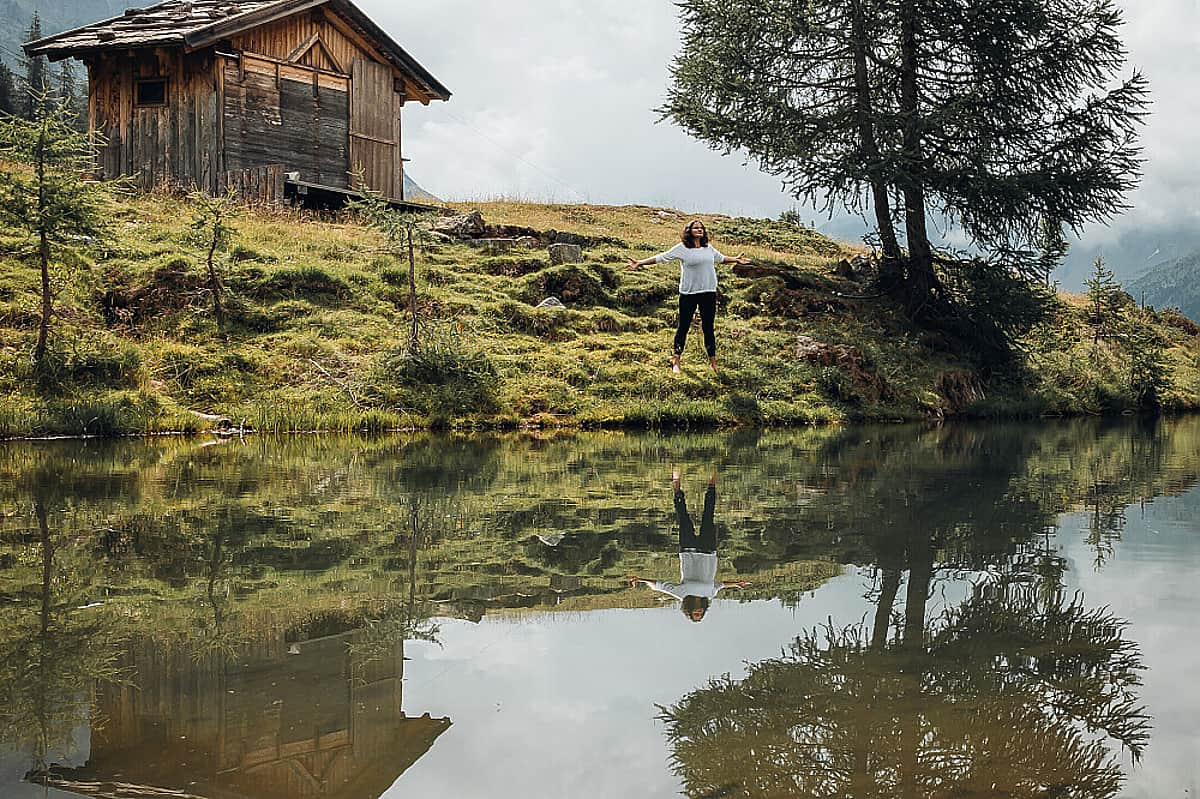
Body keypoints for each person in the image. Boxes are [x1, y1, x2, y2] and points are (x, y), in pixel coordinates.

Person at [626, 220, 751, 374]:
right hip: (689, 294)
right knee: (683, 326)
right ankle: (676, 361)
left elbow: (721, 258)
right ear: (689, 231)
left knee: (708, 328)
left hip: (708, 293)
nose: (699, 230)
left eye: (701, 228)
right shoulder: (682, 248)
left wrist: (736, 259)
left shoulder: (708, 248)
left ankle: (713, 363)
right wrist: (640, 263)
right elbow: (661, 257)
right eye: (696, 228)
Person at [628, 472, 749, 622]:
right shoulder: (709, 595)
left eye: (696, 614)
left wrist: (640, 579)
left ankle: (677, 485)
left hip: (688, 550)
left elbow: (660, 586)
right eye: (701, 614)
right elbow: (720, 585)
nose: (699, 612)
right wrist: (736, 584)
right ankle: (712, 482)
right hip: (708, 551)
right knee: (708, 516)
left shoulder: (682, 594)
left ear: (690, 611)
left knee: (683, 517)